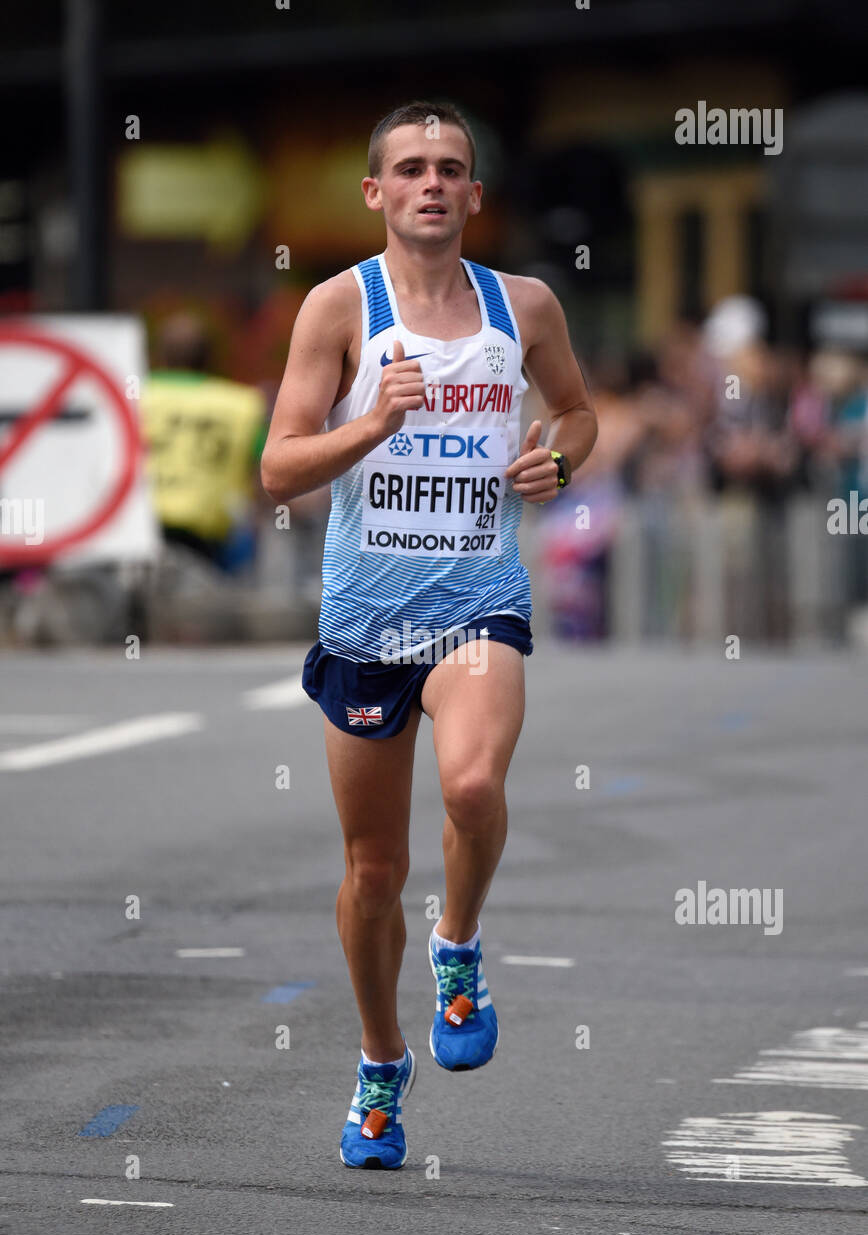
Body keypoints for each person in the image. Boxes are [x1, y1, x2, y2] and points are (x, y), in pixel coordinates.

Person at [261, 101, 597, 1168]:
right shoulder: (337, 307)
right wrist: (372, 423)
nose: (431, 184)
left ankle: (456, 946)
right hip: (365, 621)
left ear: (475, 196)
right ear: (377, 192)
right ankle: (378, 1061)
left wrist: (561, 459)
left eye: (450, 168)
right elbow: (278, 466)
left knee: (470, 788)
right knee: (370, 872)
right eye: (409, 168)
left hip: (476, 607)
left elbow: (579, 413)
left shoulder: (524, 305)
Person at [142, 313, 267, 574]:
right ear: (209, 359)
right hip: (209, 542)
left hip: (140, 530)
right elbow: (265, 478)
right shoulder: (242, 404)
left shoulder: (131, 399)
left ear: (160, 355)